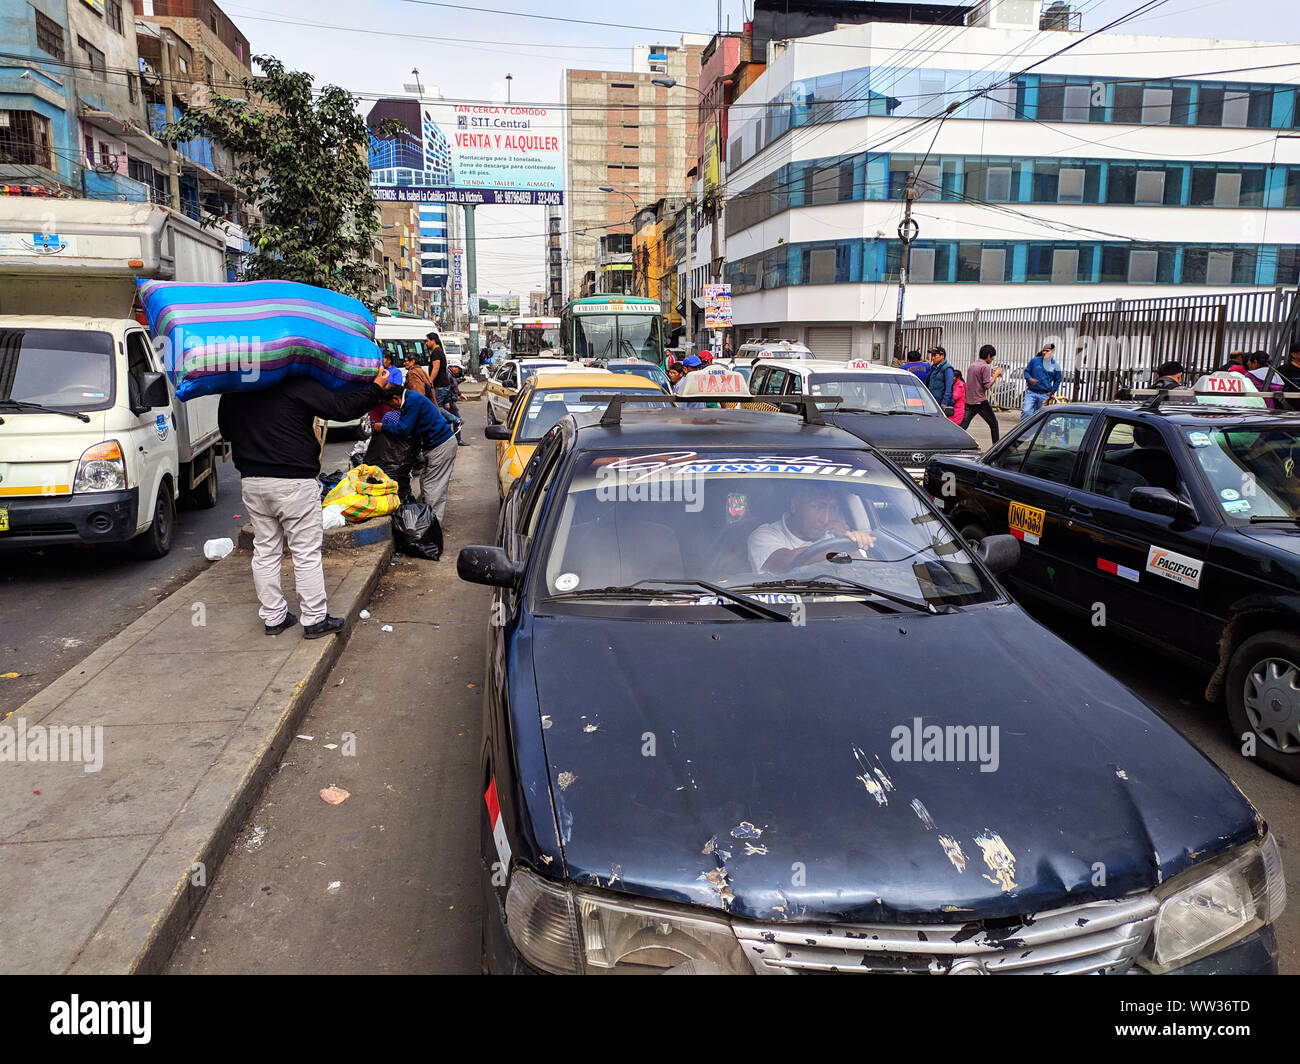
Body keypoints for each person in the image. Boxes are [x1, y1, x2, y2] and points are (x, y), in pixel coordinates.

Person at [218, 365, 389, 638]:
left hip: (253, 482)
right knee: (305, 552)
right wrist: (376, 388)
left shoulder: (235, 387)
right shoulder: (296, 382)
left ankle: (274, 618)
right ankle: (314, 619)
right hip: (294, 482)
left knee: (265, 551)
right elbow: (341, 409)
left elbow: (226, 430)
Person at [747, 482, 876, 574]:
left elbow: (864, 571)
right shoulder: (764, 535)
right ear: (795, 505)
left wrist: (851, 543)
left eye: (832, 508)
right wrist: (837, 549)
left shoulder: (836, 535)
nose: (825, 519)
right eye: (819, 507)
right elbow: (782, 563)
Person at [374, 381, 457, 523]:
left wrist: (382, 427)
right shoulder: (410, 399)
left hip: (440, 446)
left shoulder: (412, 401)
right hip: (435, 445)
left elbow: (403, 429)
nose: (391, 408)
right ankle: (428, 520)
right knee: (426, 482)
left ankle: (432, 525)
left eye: (390, 404)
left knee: (433, 487)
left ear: (396, 398)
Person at [961, 344, 1003, 442]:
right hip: (980, 401)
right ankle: (996, 449)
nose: (992, 359)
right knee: (994, 424)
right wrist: (995, 376)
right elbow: (987, 386)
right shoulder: (985, 367)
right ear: (988, 355)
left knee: (964, 425)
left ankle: (954, 441)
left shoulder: (972, 365)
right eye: (992, 357)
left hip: (970, 401)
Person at [1022, 343, 1062, 420]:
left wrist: (1051, 392)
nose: (1044, 352)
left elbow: (1057, 380)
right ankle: (1023, 430)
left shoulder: (1056, 366)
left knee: (1040, 416)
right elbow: (1026, 372)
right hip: (1031, 392)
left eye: (1047, 351)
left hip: (1044, 395)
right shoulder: (1034, 361)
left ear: (1052, 352)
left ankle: (1036, 431)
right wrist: (1030, 379)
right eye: (1043, 350)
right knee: (1026, 411)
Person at [925, 346, 955, 417]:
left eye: (935, 355)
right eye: (932, 355)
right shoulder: (934, 368)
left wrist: (944, 402)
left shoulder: (947, 369)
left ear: (942, 356)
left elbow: (949, 387)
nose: (932, 358)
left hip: (940, 403)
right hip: (932, 402)